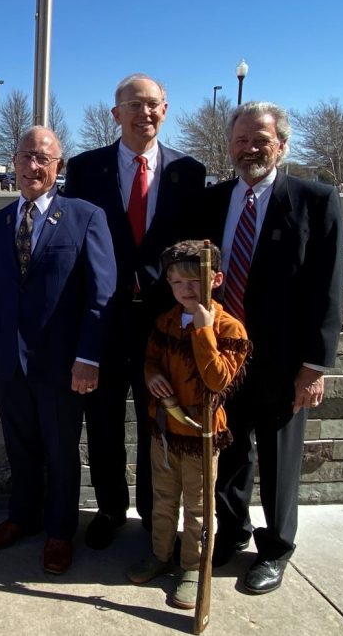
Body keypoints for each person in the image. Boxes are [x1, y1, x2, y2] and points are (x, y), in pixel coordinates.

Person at [204, 101, 343, 594]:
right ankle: (230, 533)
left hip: (284, 362)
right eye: (241, 141)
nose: (250, 149)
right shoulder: (213, 200)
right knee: (230, 451)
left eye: (260, 140)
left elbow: (329, 287)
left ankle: (276, 548)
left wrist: (314, 366)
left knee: (279, 460)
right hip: (224, 357)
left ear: (281, 145)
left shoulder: (314, 200)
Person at [64, 73, 207, 549]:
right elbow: (76, 242)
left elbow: (195, 245)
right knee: (103, 420)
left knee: (157, 421)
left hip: (162, 325)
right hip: (104, 320)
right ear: (116, 114)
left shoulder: (189, 171)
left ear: (165, 111)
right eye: (134, 105)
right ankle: (109, 509)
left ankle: (152, 513)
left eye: (153, 105)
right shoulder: (85, 169)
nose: (144, 113)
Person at [0, 126, 116, 575]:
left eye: (43, 159)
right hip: (8, 360)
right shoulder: (1, 221)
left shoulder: (85, 217)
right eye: (25, 157)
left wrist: (88, 358)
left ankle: (59, 532)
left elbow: (101, 294)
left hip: (62, 364)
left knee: (61, 451)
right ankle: (23, 516)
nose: (33, 167)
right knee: (20, 446)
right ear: (14, 162)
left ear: (59, 166)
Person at [127, 241, 250, 609]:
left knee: (198, 507)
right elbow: (150, 359)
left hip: (200, 434)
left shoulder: (229, 328)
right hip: (165, 430)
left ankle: (193, 566)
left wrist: (203, 331)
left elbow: (217, 379)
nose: (186, 289)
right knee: (163, 499)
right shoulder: (165, 321)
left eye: (194, 281)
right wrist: (151, 375)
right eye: (177, 282)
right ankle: (160, 553)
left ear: (216, 279)